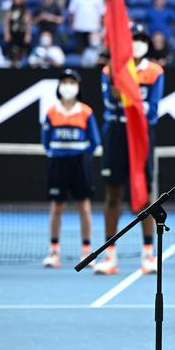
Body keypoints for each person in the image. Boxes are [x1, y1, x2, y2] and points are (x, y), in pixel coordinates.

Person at [94, 24, 165, 275]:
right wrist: (121, 94)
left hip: (141, 136)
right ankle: (110, 255)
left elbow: (153, 112)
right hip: (116, 135)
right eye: (133, 39)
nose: (138, 43)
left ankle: (148, 254)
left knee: (144, 195)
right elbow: (108, 104)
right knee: (112, 194)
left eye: (142, 39)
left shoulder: (155, 72)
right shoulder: (110, 70)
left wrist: (128, 98)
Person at [41, 69, 100, 269]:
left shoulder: (86, 112)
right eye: (64, 81)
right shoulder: (51, 112)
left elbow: (94, 141)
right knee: (56, 207)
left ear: (78, 86)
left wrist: (82, 155)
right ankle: (54, 250)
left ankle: (86, 250)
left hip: (79, 163)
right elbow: (46, 141)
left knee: (84, 206)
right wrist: (58, 152)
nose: (68, 85)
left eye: (71, 82)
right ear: (59, 86)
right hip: (58, 163)